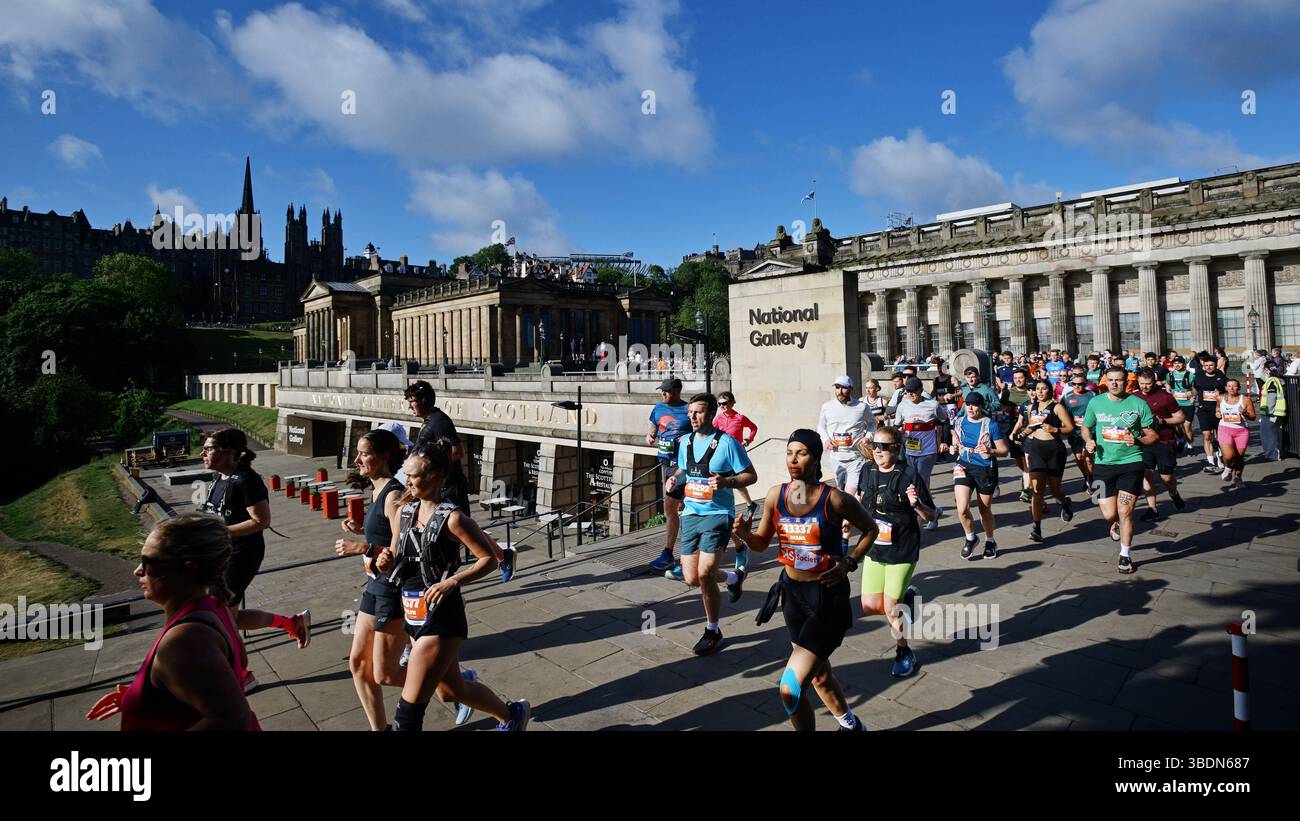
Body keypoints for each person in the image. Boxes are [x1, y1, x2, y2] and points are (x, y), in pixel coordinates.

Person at [375, 441, 531, 731]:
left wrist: (452, 581)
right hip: (412, 613)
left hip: (442, 620)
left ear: (434, 476)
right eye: (405, 473)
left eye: (413, 475)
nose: (406, 480)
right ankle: (513, 715)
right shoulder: (404, 512)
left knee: (408, 715)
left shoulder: (454, 518)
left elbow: (488, 559)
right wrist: (384, 561)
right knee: (450, 692)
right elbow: (396, 556)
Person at [732, 430, 878, 731]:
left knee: (790, 688)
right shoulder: (777, 494)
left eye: (802, 453)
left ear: (816, 458)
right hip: (793, 595)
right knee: (819, 673)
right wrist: (746, 535)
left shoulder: (835, 499)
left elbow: (871, 530)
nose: (794, 459)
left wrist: (849, 562)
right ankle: (851, 726)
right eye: (789, 452)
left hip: (826, 598)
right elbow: (761, 543)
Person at [88, 514, 259, 730]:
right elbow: (238, 664)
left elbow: (231, 719)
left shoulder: (184, 641)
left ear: (188, 568)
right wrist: (146, 698)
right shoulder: (215, 604)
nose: (138, 571)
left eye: (148, 562)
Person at [198, 429, 308, 695]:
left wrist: (221, 533)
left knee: (221, 617)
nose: (202, 453)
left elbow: (261, 521)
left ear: (229, 452)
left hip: (241, 555)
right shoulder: (219, 478)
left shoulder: (246, 480)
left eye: (208, 449)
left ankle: (243, 676)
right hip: (222, 553)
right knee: (228, 617)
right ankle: (292, 624)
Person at [664, 393, 758, 655]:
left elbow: (751, 475)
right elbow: (683, 470)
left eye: (699, 412)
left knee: (705, 573)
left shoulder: (727, 444)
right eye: (690, 412)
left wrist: (727, 482)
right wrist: (674, 479)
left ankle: (713, 630)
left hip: (718, 514)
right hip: (691, 514)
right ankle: (733, 578)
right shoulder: (685, 442)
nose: (693, 417)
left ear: (712, 414)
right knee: (692, 577)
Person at [334, 429, 409, 731]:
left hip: (393, 589)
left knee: (386, 674)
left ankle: (449, 681)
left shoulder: (393, 495)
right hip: (375, 585)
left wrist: (363, 547)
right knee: (358, 666)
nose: (357, 459)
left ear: (384, 457)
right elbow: (383, 536)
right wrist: (359, 531)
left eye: (364, 453)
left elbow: (401, 546)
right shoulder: (376, 491)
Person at [404, 381, 516, 582]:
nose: (409, 406)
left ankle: (493, 558)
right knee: (457, 528)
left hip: (448, 486)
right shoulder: (430, 421)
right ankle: (500, 555)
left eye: (412, 401)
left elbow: (457, 450)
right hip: (437, 486)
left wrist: (432, 465)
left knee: (461, 527)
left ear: (425, 401)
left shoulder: (438, 421)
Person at [855, 425, 935, 678]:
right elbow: (860, 499)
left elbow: (931, 514)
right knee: (869, 605)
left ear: (896, 449)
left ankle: (903, 652)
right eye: (875, 446)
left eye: (884, 447)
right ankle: (908, 597)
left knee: (891, 608)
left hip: (903, 548)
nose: (878, 451)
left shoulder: (909, 474)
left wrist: (917, 504)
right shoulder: (867, 470)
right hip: (875, 546)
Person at [1080, 366, 1159, 574]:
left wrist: (1139, 440)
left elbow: (1152, 435)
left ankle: (1125, 555)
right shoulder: (1096, 402)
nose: (1115, 383)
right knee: (1108, 514)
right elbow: (1085, 426)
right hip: (1103, 463)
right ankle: (1113, 523)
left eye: (1119, 380)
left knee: (1126, 511)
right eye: (1111, 380)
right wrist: (1088, 441)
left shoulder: (1138, 404)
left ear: (1127, 382)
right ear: (1105, 381)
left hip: (1131, 463)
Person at [1011, 379, 1075, 543]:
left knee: (1054, 490)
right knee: (1037, 490)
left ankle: (1065, 502)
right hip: (1036, 449)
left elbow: (1070, 427)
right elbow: (1032, 426)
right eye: (1037, 389)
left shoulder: (1057, 407)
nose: (1039, 392)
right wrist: (1021, 435)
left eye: (1043, 389)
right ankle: (1036, 527)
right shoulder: (1032, 407)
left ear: (1050, 390)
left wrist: (1056, 429)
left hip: (1054, 450)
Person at [950, 392, 1008, 560]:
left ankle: (990, 541)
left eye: (974, 404)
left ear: (981, 406)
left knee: (984, 509)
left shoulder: (991, 425)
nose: (971, 408)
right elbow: (955, 440)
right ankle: (970, 537)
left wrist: (990, 451)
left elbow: (1004, 451)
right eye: (968, 404)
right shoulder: (959, 421)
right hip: (963, 466)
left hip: (985, 469)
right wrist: (953, 446)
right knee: (962, 508)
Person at [647, 377, 692, 578]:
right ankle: (679, 553)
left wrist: (689, 438)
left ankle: (673, 554)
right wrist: (650, 437)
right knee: (675, 507)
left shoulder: (689, 409)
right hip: (664, 463)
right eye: (661, 390)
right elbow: (653, 429)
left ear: (676, 391)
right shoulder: (657, 408)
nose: (662, 394)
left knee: (671, 507)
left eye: (665, 391)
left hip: (681, 465)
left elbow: (702, 431)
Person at [1133, 369, 1187, 521]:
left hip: (1164, 441)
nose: (1144, 387)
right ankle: (1153, 509)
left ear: (1154, 381)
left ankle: (1174, 493)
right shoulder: (1134, 397)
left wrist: (1163, 421)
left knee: (1166, 478)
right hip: (1144, 442)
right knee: (1147, 474)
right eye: (1141, 383)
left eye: (1148, 384)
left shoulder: (1165, 397)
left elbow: (1180, 418)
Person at [715, 390, 759, 571]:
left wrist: (748, 440)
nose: (723, 406)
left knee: (737, 482)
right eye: (720, 404)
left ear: (732, 403)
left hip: (737, 456)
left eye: (725, 403)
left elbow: (754, 427)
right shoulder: (717, 418)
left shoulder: (740, 418)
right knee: (733, 485)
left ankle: (746, 508)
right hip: (721, 457)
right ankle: (750, 504)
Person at [817, 375, 876, 505]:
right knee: (841, 489)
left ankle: (845, 520)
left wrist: (868, 437)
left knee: (849, 494)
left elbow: (872, 423)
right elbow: (820, 427)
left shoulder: (862, 407)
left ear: (851, 389)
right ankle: (849, 518)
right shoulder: (827, 406)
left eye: (843, 388)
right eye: (837, 387)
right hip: (836, 457)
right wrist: (826, 440)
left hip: (856, 456)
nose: (840, 391)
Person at [895, 376, 945, 530]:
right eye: (907, 391)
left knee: (919, 484)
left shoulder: (932, 405)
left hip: (928, 451)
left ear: (921, 390)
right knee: (914, 484)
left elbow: (943, 421)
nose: (910, 394)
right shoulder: (902, 406)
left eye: (913, 392)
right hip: (910, 450)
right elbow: (898, 426)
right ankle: (934, 512)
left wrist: (941, 441)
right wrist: (901, 434)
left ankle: (919, 521)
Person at [999, 368, 1034, 503]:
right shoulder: (1008, 393)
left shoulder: (1031, 390)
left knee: (1027, 462)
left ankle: (1026, 488)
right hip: (1013, 429)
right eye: (1015, 378)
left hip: (1029, 430)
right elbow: (1001, 407)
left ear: (1026, 378)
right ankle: (1026, 476)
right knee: (1019, 460)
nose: (1018, 380)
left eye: (1021, 377)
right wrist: (1006, 409)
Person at [1059, 372, 1096, 492]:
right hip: (1074, 433)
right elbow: (1061, 413)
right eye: (1074, 384)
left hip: (1090, 432)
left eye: (1080, 384)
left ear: (1085, 384)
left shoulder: (1092, 395)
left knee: (1088, 458)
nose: (1077, 386)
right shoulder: (1067, 397)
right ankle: (1086, 477)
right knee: (1079, 458)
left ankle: (1092, 480)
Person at [1216, 379, 1256, 491]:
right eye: (1229, 386)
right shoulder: (1220, 398)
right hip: (1224, 429)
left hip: (1241, 431)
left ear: (1239, 388)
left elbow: (1253, 417)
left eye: (1234, 386)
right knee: (1228, 455)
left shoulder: (1246, 400)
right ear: (1225, 388)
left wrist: (1245, 413)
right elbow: (1217, 409)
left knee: (1239, 457)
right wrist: (1218, 413)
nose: (1231, 388)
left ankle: (1238, 478)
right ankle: (1228, 468)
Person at [1193, 354, 1229, 473]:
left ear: (1215, 366)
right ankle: (1210, 462)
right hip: (1204, 410)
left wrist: (1220, 396)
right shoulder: (1198, 376)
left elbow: (1227, 392)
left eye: (1211, 365)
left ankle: (1220, 456)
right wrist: (1192, 396)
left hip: (1218, 410)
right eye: (1206, 365)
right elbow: (1194, 389)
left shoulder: (1221, 377)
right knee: (1207, 436)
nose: (1208, 367)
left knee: (1219, 437)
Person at [1166, 356, 1197, 456]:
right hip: (1175, 404)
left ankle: (1190, 446)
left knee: (1186, 426)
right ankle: (1181, 439)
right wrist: (1168, 389)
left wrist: (1193, 395)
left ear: (1183, 364)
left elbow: (1195, 388)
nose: (1177, 365)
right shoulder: (1169, 375)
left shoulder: (1191, 375)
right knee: (1177, 427)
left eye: (1179, 363)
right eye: (1175, 363)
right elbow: (1167, 385)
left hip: (1187, 404)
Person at [1259, 366, 1287, 462]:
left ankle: (1272, 454)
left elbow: (1271, 398)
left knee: (1267, 434)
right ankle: (1279, 453)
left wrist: (1269, 413)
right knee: (1276, 434)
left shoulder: (1271, 381)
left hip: (1270, 413)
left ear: (1267, 370)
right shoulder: (1279, 380)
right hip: (1277, 412)